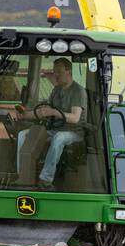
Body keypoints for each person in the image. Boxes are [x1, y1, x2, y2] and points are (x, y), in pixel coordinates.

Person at [13, 57, 85, 189]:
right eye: (54, 71)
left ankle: (46, 179)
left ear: (68, 71)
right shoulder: (56, 90)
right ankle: (23, 176)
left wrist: (54, 112)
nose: (55, 75)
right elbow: (45, 111)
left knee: (59, 138)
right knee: (23, 134)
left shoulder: (77, 91)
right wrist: (25, 115)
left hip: (75, 132)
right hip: (55, 129)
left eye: (59, 72)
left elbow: (75, 118)